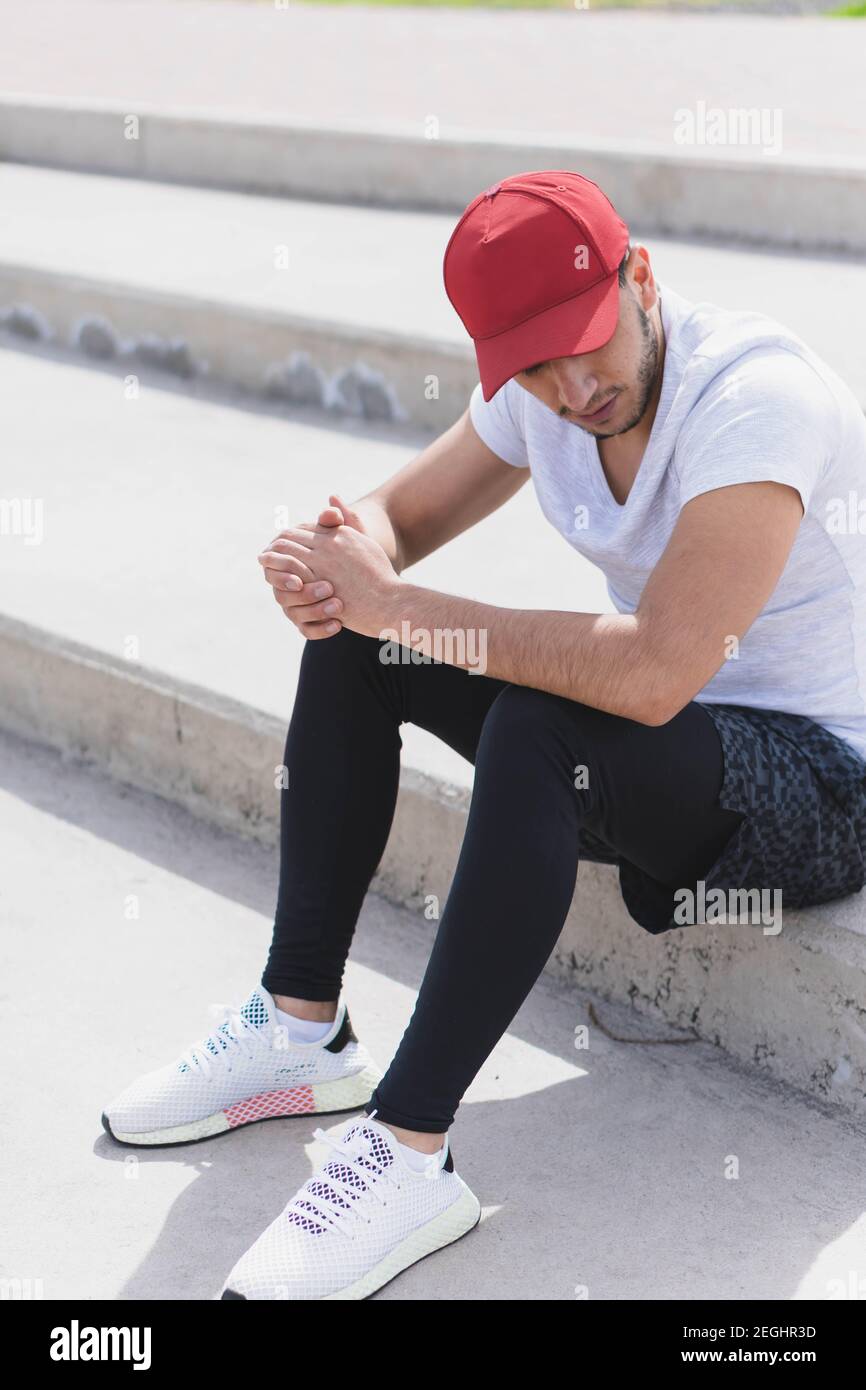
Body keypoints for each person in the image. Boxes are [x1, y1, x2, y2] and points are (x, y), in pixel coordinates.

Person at [103, 170, 866, 1301]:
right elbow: (393, 521)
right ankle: (300, 1029)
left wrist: (392, 600)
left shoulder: (754, 398)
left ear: (639, 279)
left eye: (582, 342)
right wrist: (330, 561)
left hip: (816, 783)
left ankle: (408, 1152)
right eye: (530, 366)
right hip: (666, 747)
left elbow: (655, 673)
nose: (570, 388)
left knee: (528, 717)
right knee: (361, 647)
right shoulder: (541, 390)